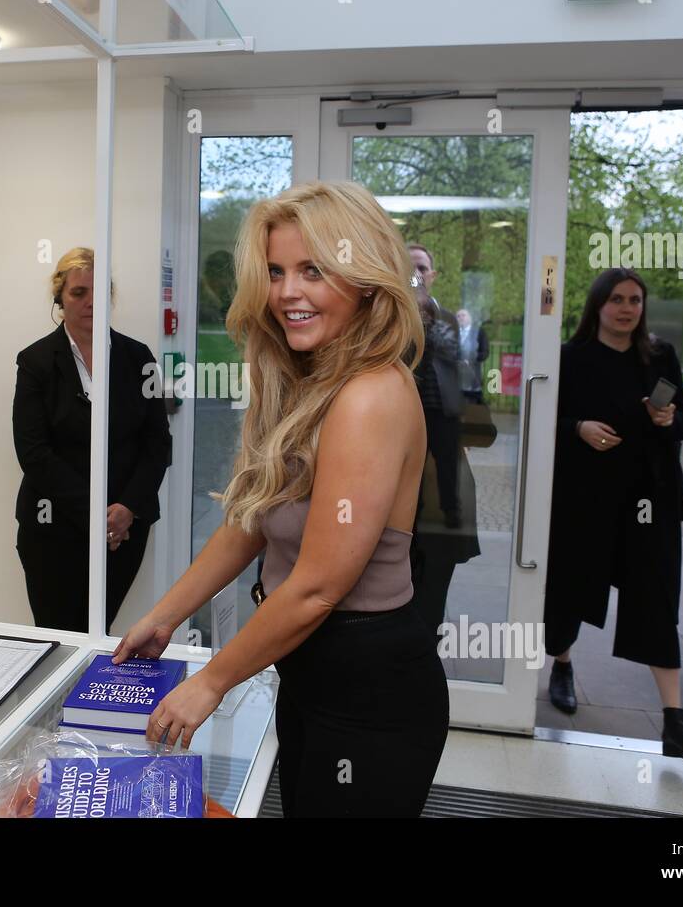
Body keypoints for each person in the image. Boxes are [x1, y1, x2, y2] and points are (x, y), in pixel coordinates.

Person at [114, 182, 449, 817]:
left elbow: (320, 585)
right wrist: (164, 614)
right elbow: (251, 521)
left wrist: (212, 680)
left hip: (368, 693)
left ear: (367, 279)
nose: (287, 292)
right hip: (310, 670)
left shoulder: (369, 394)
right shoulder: (311, 380)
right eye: (275, 272)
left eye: (312, 271)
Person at [544, 267, 683, 761]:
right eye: (616, 299)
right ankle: (563, 664)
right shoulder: (571, 359)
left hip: (650, 497)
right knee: (571, 591)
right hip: (587, 498)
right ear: (597, 305)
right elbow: (546, 417)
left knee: (658, 600)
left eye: (635, 300)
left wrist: (668, 418)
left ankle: (674, 722)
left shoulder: (658, 355)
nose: (626, 308)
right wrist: (578, 427)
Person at [13, 247, 171, 633]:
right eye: (78, 292)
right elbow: (34, 453)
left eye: (99, 291)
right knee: (58, 636)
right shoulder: (35, 362)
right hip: (54, 528)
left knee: (98, 634)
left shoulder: (139, 358)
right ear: (60, 298)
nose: (89, 302)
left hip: (124, 529)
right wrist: (97, 514)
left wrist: (127, 509)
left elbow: (158, 442)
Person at [408, 244, 462, 528]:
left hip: (442, 407)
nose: (415, 274)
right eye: (410, 268)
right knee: (409, 471)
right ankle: (409, 522)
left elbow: (452, 354)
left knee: (447, 467)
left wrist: (427, 318)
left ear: (432, 275)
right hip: (406, 410)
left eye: (421, 268)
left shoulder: (447, 317)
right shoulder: (392, 317)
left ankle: (452, 518)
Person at [456, 307, 489, 404]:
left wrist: (471, 360)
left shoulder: (479, 332)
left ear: (469, 318)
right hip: (456, 377)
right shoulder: (453, 332)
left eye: (463, 315)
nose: (461, 318)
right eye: (458, 316)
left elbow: (485, 352)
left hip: (473, 375)